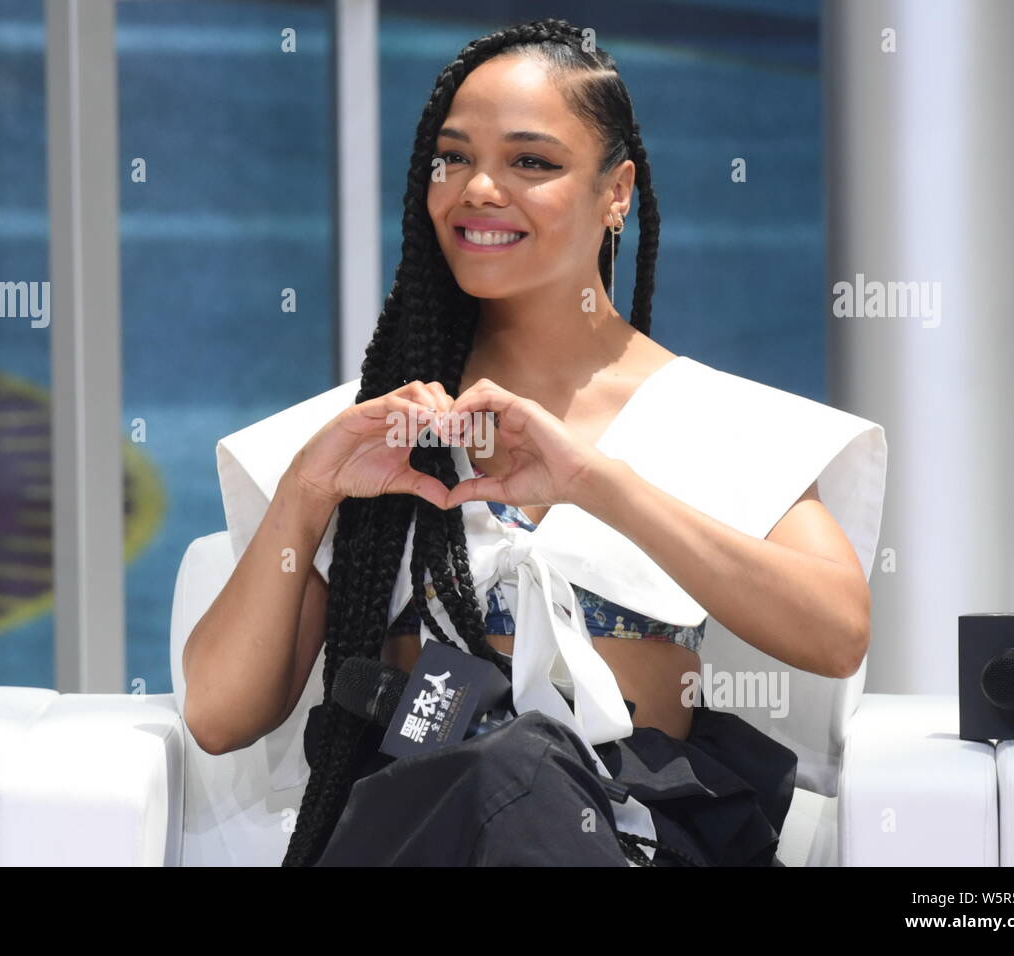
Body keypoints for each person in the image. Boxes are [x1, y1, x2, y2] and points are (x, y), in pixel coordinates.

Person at [183, 16, 883, 867]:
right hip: (412, 822)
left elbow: (836, 630)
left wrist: (594, 483)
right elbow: (219, 717)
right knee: (491, 777)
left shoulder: (720, 418)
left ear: (616, 190)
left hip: (637, 827)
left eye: (531, 162)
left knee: (520, 777)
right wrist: (306, 492)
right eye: (454, 158)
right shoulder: (376, 426)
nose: (478, 188)